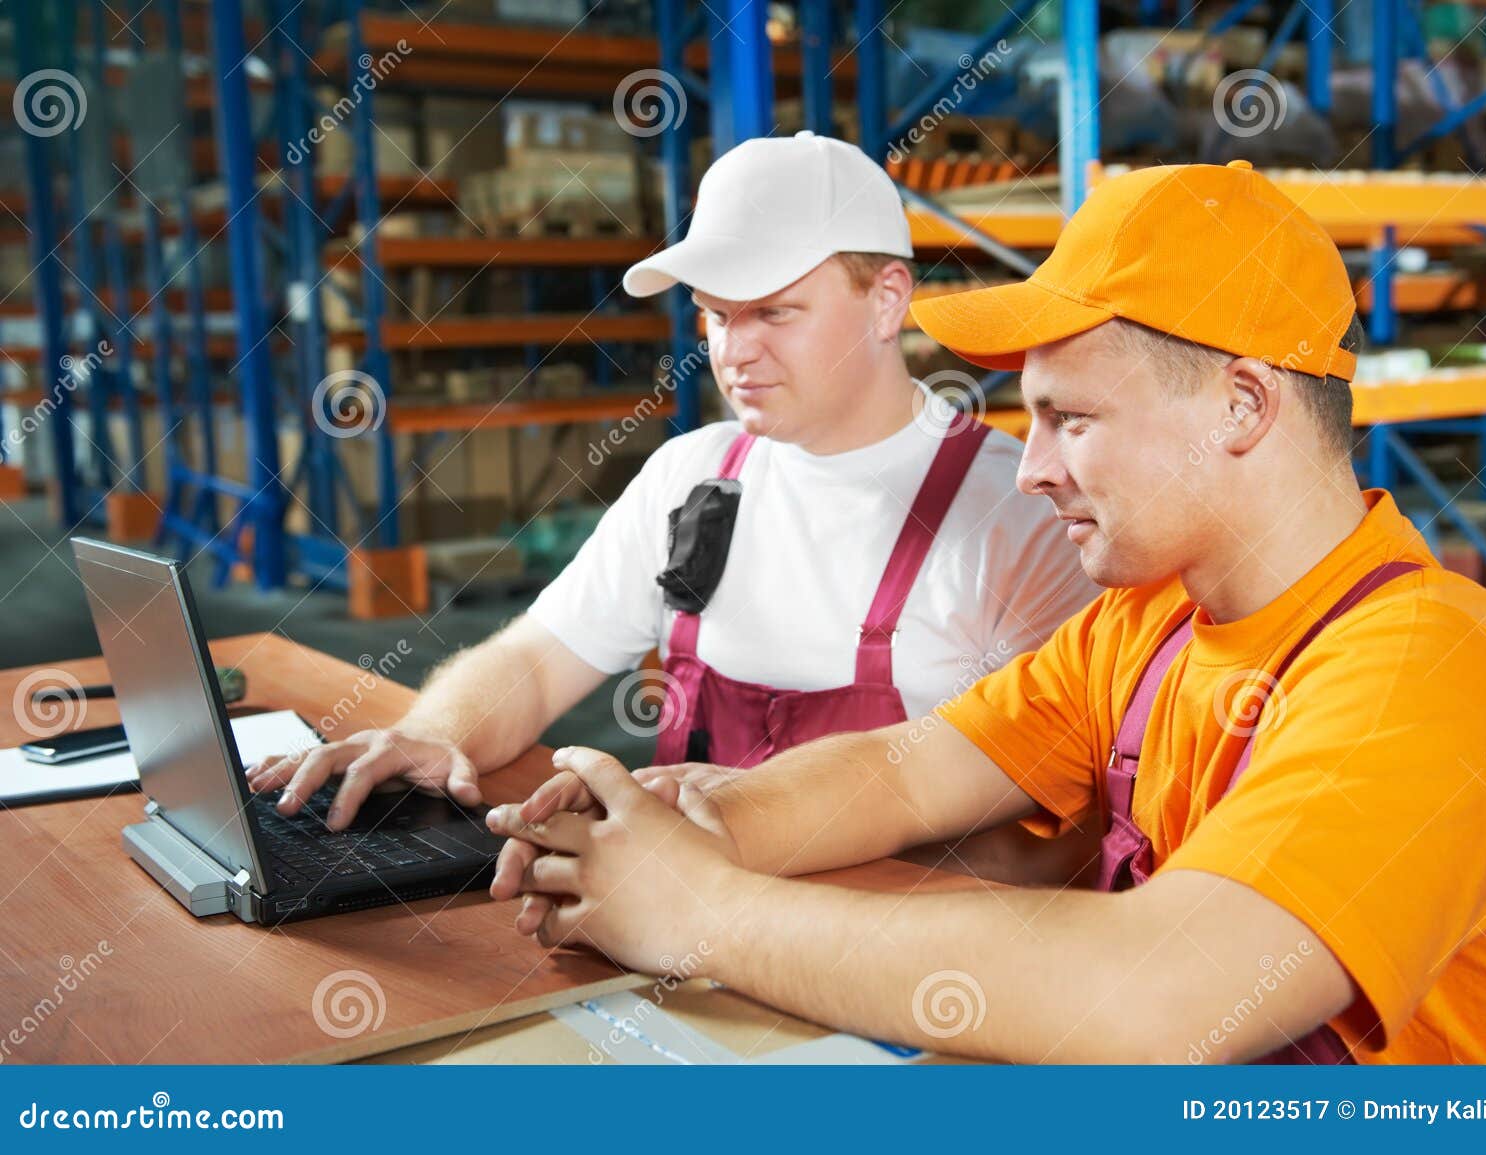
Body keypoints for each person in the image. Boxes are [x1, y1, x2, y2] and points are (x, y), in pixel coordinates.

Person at [488, 160, 1486, 1064]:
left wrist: (701, 913)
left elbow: (1156, 1002)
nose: (1031, 470)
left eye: (1071, 419)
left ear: (1243, 404)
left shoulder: (1427, 672)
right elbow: (911, 768)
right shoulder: (1149, 625)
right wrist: (692, 821)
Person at [245, 132, 1096, 883]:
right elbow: (540, 659)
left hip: (891, 956)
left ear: (887, 300)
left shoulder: (1020, 512)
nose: (734, 351)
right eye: (714, 316)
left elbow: (1063, 840)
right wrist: (438, 734)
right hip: (672, 919)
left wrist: (753, 857)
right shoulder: (693, 475)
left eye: (773, 311)